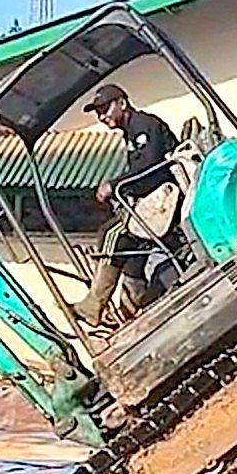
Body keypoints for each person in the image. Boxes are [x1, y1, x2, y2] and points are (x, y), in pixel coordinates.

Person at [72, 84, 181, 325]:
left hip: (168, 197)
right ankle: (132, 306)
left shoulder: (144, 126)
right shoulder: (131, 132)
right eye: (98, 113)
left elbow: (151, 167)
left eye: (105, 109)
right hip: (158, 198)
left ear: (122, 103)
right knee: (132, 246)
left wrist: (114, 184)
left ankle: (94, 304)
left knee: (112, 233)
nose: (102, 117)